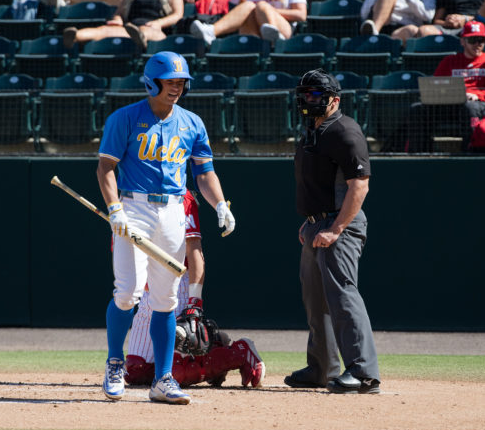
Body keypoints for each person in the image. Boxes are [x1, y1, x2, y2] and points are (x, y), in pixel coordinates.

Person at [96, 51, 235, 404]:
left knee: (166, 299)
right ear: (152, 81)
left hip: (173, 210)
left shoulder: (192, 123)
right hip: (133, 207)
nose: (176, 87)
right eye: (170, 81)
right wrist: (116, 209)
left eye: (181, 82)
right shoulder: (124, 118)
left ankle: (163, 379)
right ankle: (115, 363)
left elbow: (204, 173)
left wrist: (220, 204)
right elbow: (105, 168)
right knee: (127, 293)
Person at [285, 69, 380, 395]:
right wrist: (311, 221)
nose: (307, 100)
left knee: (343, 296)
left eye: (315, 95)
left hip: (340, 226)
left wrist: (336, 227)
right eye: (305, 94)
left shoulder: (344, 131)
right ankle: (321, 369)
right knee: (316, 301)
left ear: (334, 100)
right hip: (317, 224)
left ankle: (364, 373)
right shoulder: (314, 130)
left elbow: (360, 186)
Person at [125, 189, 265, 389]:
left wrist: (194, 304)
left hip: (177, 281)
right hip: (149, 290)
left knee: (176, 372)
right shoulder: (132, 191)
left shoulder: (182, 196)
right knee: (136, 371)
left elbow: (194, 251)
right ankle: (212, 349)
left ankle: (240, 352)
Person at [409, 20, 485, 150]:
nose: (477, 44)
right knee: (417, 108)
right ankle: (420, 153)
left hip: (477, 104)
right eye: (473, 40)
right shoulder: (449, 61)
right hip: (449, 105)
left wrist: (476, 95)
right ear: (462, 41)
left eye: (481, 40)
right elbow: (437, 85)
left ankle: (469, 153)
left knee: (470, 108)